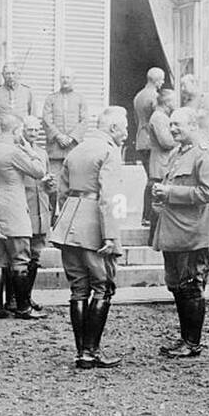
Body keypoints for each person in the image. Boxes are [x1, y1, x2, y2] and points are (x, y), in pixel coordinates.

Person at [51, 106, 130, 368]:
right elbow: (110, 198)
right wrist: (112, 235)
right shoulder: (109, 152)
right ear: (113, 128)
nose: (127, 133)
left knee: (78, 289)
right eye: (125, 128)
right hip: (94, 227)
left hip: (69, 226)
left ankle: (81, 352)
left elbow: (62, 191)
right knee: (103, 286)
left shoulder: (76, 150)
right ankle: (90, 352)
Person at [151, 106, 209, 358]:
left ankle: (192, 342)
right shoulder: (178, 153)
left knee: (190, 286)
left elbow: (208, 193)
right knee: (177, 286)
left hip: (193, 233)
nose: (172, 129)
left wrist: (170, 193)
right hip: (173, 231)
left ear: (193, 126)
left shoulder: (203, 153)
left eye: (178, 125)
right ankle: (185, 338)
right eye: (171, 125)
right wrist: (161, 195)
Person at [0, 114, 48, 321]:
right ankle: (23, 307)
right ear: (17, 130)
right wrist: (31, 152)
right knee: (20, 257)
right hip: (14, 208)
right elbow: (39, 171)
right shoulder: (15, 152)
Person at [20, 115, 58, 315]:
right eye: (29, 130)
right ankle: (16, 300)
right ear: (22, 130)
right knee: (20, 256)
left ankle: (27, 296)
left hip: (40, 207)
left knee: (35, 255)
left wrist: (50, 184)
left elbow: (46, 180)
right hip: (24, 206)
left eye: (35, 130)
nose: (33, 133)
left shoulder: (42, 153)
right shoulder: (18, 151)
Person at [41, 69, 89, 217]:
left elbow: (84, 120)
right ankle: (50, 220)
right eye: (62, 77)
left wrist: (72, 137)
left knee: (71, 185)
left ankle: (67, 218)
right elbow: (46, 120)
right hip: (55, 149)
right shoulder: (51, 99)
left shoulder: (80, 99)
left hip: (73, 149)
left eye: (68, 77)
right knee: (53, 186)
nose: (65, 80)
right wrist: (58, 136)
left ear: (73, 79)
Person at [144, 88, 177, 234]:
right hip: (161, 164)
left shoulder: (161, 116)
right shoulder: (159, 117)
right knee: (158, 203)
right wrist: (182, 139)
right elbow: (166, 142)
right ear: (167, 102)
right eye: (174, 100)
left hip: (162, 163)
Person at [132, 67, 166, 167]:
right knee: (155, 176)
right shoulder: (155, 97)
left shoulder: (138, 96)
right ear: (156, 81)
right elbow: (158, 121)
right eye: (162, 79)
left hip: (141, 140)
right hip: (152, 142)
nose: (163, 82)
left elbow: (136, 119)